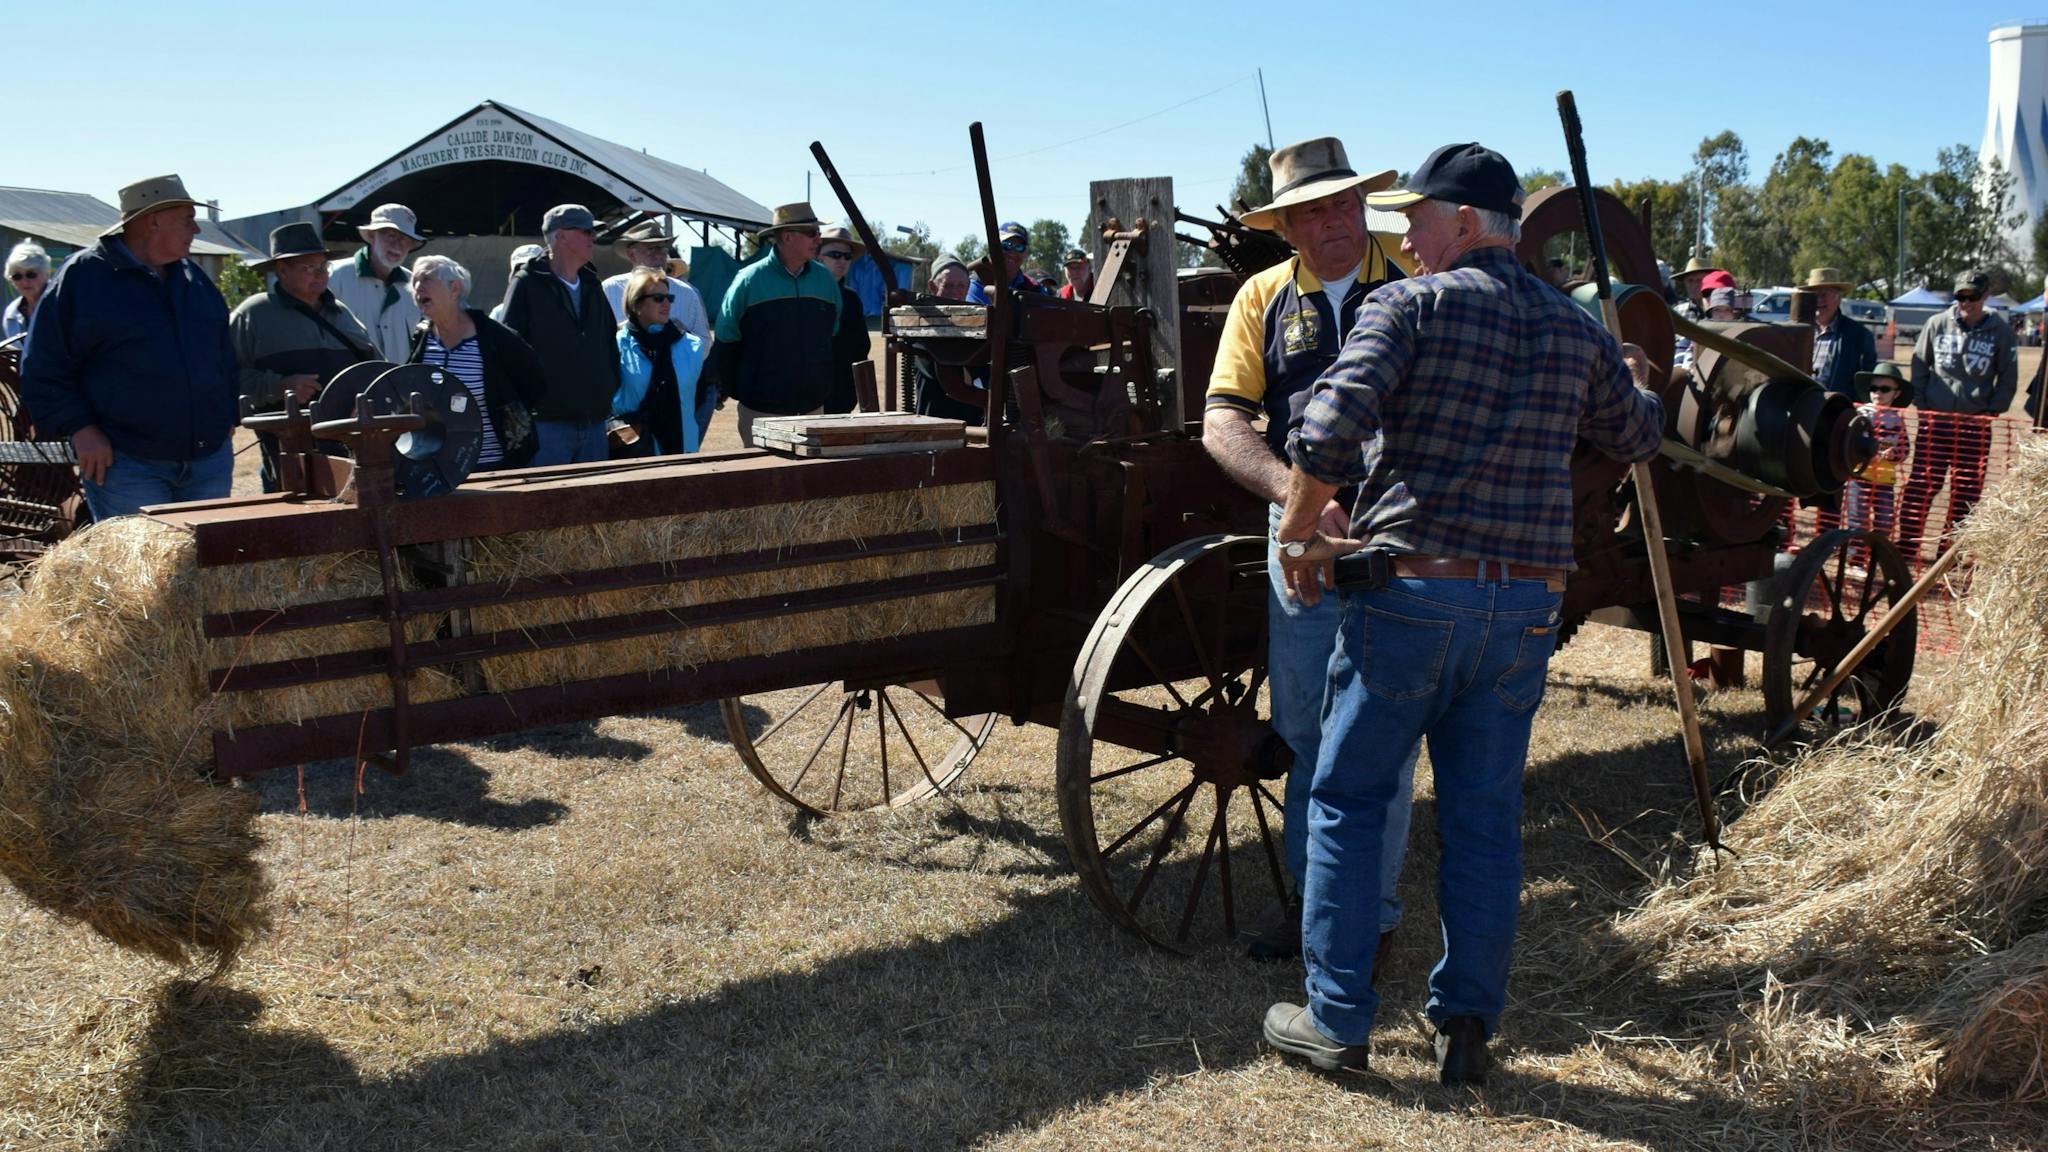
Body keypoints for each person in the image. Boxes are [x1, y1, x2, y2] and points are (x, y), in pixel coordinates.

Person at [1259, 143, 1664, 1083]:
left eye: (1418, 218)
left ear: (1469, 225)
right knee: (1483, 818)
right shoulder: (1573, 329)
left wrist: (1295, 532)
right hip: (1526, 603)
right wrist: (1638, 370)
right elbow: (1638, 434)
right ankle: (1466, 1029)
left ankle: (1337, 1021)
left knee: (1351, 800)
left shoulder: (1407, 304)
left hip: (1412, 595)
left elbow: (1325, 428)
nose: (1405, 234)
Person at [1202, 135, 1416, 966]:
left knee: (1381, 727)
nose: (1332, 221)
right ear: (1286, 227)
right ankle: (1317, 907)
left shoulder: (1414, 279)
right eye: (1311, 211)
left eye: (1342, 203)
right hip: (1301, 539)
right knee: (1303, 725)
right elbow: (1223, 424)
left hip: (1399, 527)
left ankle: (1376, 917)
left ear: (1362, 204)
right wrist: (1296, 499)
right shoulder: (1261, 299)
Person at [18, 175, 239, 519]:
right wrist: (81, 428)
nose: (196, 230)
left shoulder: (194, 282)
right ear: (152, 220)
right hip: (127, 463)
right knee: (140, 571)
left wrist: (226, 416)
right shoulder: (85, 277)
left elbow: (224, 358)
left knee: (205, 569)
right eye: (187, 219)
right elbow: (43, 367)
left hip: (207, 461)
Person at [229, 223, 376, 491]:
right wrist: (279, 386)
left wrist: (369, 397)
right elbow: (226, 378)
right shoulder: (253, 315)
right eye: (310, 267)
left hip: (350, 450)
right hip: (287, 455)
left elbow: (375, 368)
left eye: (323, 267)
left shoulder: (342, 314)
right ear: (282, 270)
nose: (320, 274)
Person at [1899, 268, 2017, 560]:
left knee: (1966, 492)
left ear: (1985, 296)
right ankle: (1906, 548)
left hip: (1974, 426)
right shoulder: (1936, 324)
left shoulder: (2000, 332)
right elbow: (1919, 366)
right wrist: (1923, 404)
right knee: (1922, 486)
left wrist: (1992, 410)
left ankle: (1948, 555)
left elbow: (2008, 378)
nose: (1966, 303)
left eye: (1972, 296)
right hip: (1935, 422)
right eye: (1960, 296)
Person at [501, 204, 621, 465]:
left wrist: (607, 389)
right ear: (560, 236)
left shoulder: (592, 285)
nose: (593, 238)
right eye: (587, 231)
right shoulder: (525, 283)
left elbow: (609, 341)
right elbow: (509, 352)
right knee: (547, 504)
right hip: (547, 426)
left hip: (594, 423)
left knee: (593, 504)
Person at [712, 202, 839, 446]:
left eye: (818, 232)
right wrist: (743, 391)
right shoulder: (748, 281)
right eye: (812, 232)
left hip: (813, 411)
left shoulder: (825, 280)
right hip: (761, 413)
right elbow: (726, 341)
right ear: (788, 236)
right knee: (764, 483)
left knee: (808, 483)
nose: (819, 239)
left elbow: (833, 334)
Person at [405, 254, 544, 472]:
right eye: (415, 282)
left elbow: (534, 379)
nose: (418, 287)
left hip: (494, 461)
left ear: (455, 289)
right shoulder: (422, 337)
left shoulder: (492, 336)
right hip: (440, 464)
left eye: (426, 279)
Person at [612, 266, 712, 456]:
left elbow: (698, 396)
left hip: (682, 451)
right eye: (658, 298)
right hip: (632, 453)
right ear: (636, 304)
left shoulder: (692, 346)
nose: (667, 304)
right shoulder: (616, 346)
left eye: (669, 298)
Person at [327, 203, 426, 362]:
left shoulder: (415, 285)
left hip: (400, 383)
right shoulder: (335, 276)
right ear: (372, 236)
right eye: (391, 236)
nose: (398, 245)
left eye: (405, 239)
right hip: (351, 383)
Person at [602, 219, 710, 344]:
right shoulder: (610, 288)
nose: (659, 255)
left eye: (662, 249)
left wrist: (682, 345)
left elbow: (704, 341)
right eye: (651, 249)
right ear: (631, 255)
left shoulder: (686, 292)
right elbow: (598, 336)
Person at [913, 254, 984, 424]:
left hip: (972, 424)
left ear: (968, 289)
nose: (955, 293)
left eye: (961, 286)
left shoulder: (977, 327)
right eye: (948, 285)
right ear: (932, 286)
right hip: (932, 423)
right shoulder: (922, 326)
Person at [1845, 362, 1909, 538]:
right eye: (1874, 388)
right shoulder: (1859, 413)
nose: (1878, 393)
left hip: (1885, 481)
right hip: (1859, 476)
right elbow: (1847, 442)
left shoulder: (1897, 420)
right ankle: (1856, 560)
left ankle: (1876, 556)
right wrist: (1861, 453)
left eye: (1885, 389)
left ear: (1896, 393)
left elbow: (1905, 448)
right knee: (1857, 521)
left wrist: (1894, 455)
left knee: (1885, 523)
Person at [816, 225, 871, 414]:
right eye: (835, 255)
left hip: (840, 398)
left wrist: (850, 394)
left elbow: (861, 349)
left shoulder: (852, 299)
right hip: (803, 397)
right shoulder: (802, 294)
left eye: (847, 256)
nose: (842, 261)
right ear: (818, 256)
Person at [1804, 267, 1877, 399]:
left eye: (1824, 295)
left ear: (1838, 298)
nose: (1819, 301)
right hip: (1802, 404)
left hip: (1836, 410)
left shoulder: (1858, 335)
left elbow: (1866, 380)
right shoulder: (1800, 330)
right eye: (1815, 296)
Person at [966, 221, 1049, 303]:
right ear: (994, 247)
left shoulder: (1035, 288)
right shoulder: (976, 283)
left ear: (1026, 253)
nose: (1012, 252)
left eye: (1019, 247)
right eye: (1006, 245)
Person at [3, 242, 52, 344]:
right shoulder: (11, 314)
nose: (24, 282)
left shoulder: (63, 304)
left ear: (46, 273)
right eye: (17, 276)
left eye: (31, 274)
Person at [489, 243, 544, 323]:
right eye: (520, 272)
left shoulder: (560, 308)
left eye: (531, 271)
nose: (525, 277)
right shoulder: (499, 313)